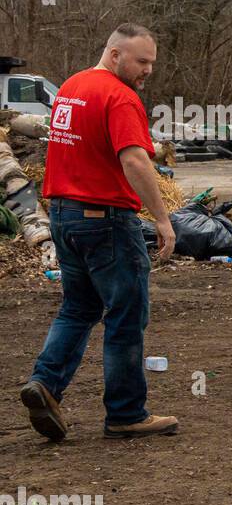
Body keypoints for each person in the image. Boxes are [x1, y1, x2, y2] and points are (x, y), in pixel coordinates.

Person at [21, 23, 178, 442]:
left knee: (78, 308)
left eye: (152, 63)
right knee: (126, 315)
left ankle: (45, 385)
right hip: (105, 219)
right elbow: (135, 162)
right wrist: (163, 220)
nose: (148, 71)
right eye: (142, 62)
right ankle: (127, 413)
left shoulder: (72, 87)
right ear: (114, 55)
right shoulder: (120, 97)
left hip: (64, 216)